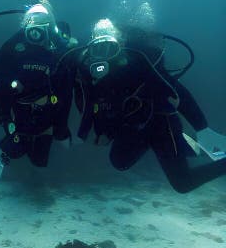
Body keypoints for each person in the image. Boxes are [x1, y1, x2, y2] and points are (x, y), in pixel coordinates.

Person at [74, 19, 226, 193]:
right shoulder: (91, 78)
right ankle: (184, 144)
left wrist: (202, 129)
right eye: (98, 49)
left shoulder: (139, 65)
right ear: (90, 51)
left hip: (161, 126)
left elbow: (177, 92)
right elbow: (95, 108)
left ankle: (184, 143)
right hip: (134, 130)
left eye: (110, 48)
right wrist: (104, 133)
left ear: (120, 46)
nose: (105, 55)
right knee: (119, 162)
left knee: (183, 184)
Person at [0, 0, 77, 181]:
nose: (35, 30)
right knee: (16, 148)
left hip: (47, 107)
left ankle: (39, 149)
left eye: (42, 22)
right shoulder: (16, 42)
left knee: (40, 161)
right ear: (25, 23)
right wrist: (13, 84)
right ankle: (13, 147)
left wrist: (61, 130)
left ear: (50, 24)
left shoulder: (58, 45)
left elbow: (66, 90)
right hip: (18, 105)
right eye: (32, 22)